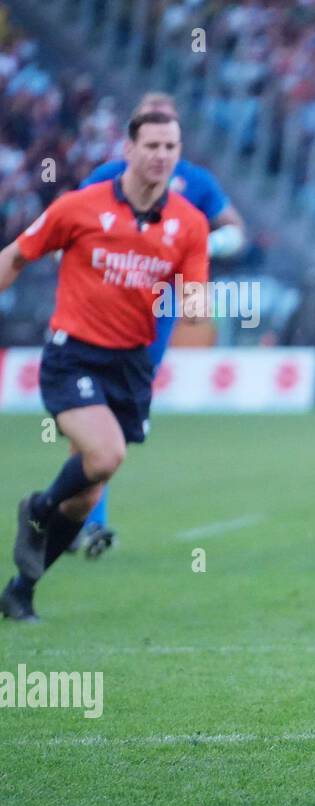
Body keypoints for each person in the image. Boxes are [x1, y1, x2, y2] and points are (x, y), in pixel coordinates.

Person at [1, 111, 210, 621]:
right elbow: (17, 256)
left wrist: (199, 305)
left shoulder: (189, 223)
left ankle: (21, 589)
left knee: (88, 491)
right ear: (129, 149)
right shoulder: (78, 207)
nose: (162, 155)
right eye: (153, 145)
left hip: (132, 365)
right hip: (73, 355)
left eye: (171, 147)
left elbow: (195, 296)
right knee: (105, 455)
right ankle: (38, 509)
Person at [71, 92, 246, 557]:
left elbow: (235, 230)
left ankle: (62, 513)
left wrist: (200, 245)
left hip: (154, 321)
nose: (161, 149)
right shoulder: (107, 177)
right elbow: (70, 225)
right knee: (100, 423)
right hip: (99, 317)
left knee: (107, 430)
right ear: (134, 136)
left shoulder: (196, 183)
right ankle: (88, 522)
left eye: (169, 131)